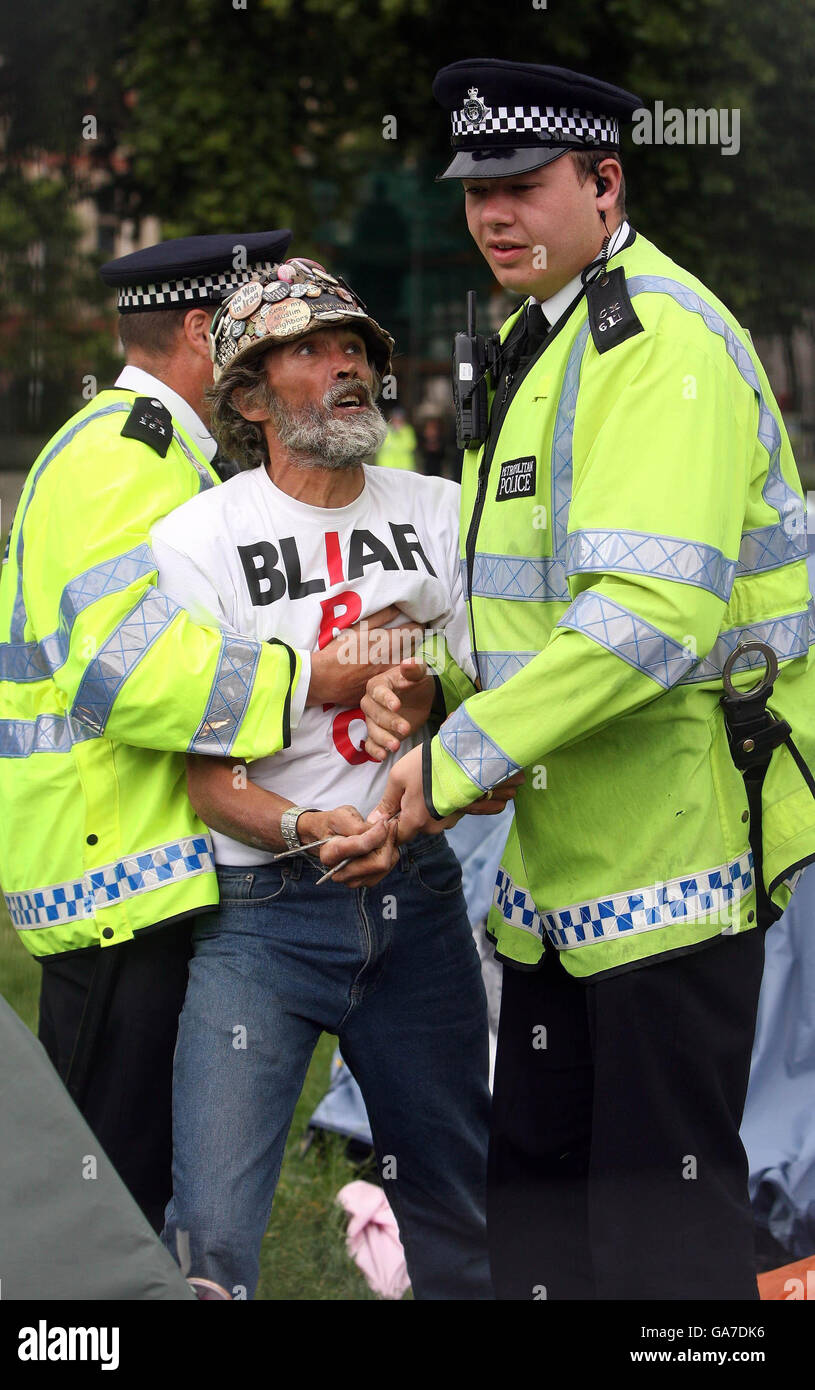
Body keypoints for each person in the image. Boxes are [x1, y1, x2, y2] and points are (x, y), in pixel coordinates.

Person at [361, 59, 815, 1300]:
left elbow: (651, 611)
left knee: (661, 1245)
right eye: (474, 191)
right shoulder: (542, 337)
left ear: (605, 184)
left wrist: (458, 758)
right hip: (563, 876)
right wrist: (439, 688)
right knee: (545, 1214)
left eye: (522, 185)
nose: (492, 215)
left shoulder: (660, 340)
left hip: (672, 861)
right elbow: (538, 596)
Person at [0, 232, 407, 1232]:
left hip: (143, 861)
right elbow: (127, 670)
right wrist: (315, 674)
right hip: (118, 871)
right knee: (103, 1191)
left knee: (148, 1173)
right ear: (194, 329)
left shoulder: (162, 451)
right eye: (252, 324)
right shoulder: (120, 456)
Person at [151, 256, 518, 1298]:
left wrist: (431, 711)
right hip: (262, 916)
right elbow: (210, 782)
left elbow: (495, 709)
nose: (345, 365)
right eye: (309, 350)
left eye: (353, 345)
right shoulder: (197, 542)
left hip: (420, 903)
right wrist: (313, 827)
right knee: (212, 1230)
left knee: (460, 1204)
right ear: (252, 397)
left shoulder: (443, 513)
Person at [373, 405, 418, 470]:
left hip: (404, 467)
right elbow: (381, 445)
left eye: (399, 419)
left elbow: (411, 445)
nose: (397, 422)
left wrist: (400, 433)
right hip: (387, 466)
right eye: (395, 419)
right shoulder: (385, 430)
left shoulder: (408, 430)